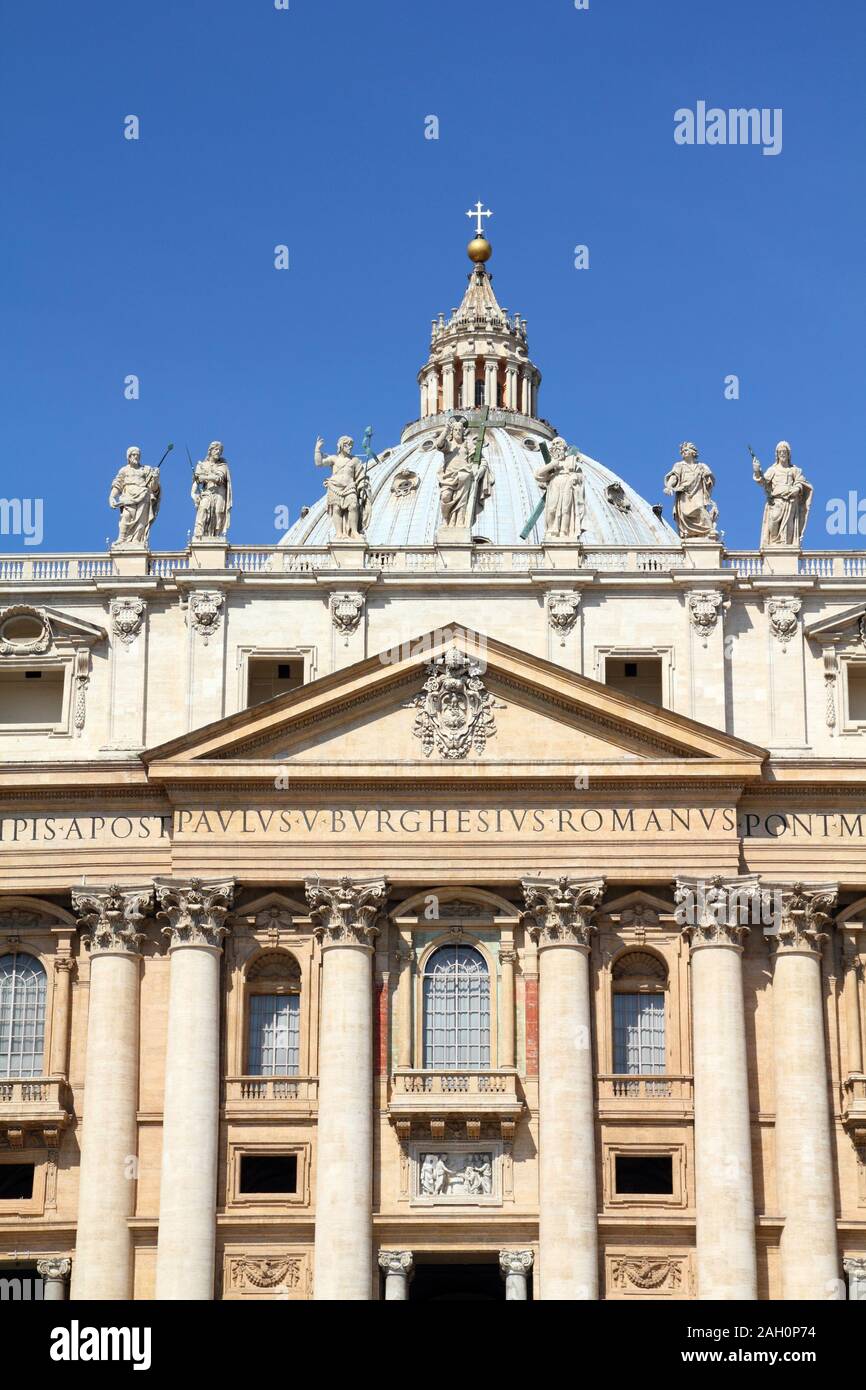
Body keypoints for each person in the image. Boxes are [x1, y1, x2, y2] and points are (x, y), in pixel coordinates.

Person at [752, 440, 812, 546]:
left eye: (784, 451)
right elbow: (763, 481)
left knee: (789, 526)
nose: (782, 454)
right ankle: (774, 542)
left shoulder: (794, 470)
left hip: (791, 501)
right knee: (774, 519)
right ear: (777, 454)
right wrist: (757, 471)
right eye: (780, 452)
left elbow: (801, 482)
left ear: (788, 454)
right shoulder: (773, 469)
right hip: (777, 500)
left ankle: (787, 546)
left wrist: (797, 489)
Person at [313, 435, 371, 539]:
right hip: (334, 486)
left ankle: (354, 532)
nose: (349, 447)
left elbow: (361, 475)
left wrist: (362, 486)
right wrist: (317, 449)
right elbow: (319, 463)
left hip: (349, 486)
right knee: (336, 509)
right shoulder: (334, 459)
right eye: (346, 445)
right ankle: (339, 533)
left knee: (353, 506)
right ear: (340, 446)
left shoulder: (355, 460)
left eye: (350, 445)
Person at [534, 436, 586, 540]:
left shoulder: (571, 461)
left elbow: (581, 477)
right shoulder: (552, 463)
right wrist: (553, 464)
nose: (555, 446)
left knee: (565, 509)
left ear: (564, 447)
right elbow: (538, 475)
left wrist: (575, 477)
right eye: (553, 444)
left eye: (558, 444)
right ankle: (550, 532)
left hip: (568, 485)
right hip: (555, 484)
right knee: (551, 508)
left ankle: (563, 532)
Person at [663, 441, 718, 538]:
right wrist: (669, 487)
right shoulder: (679, 465)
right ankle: (689, 534)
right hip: (684, 493)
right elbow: (674, 477)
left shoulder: (701, 466)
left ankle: (708, 531)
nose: (683, 452)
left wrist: (707, 478)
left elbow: (710, 479)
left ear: (693, 452)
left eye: (686, 450)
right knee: (685, 513)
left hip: (698, 492)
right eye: (682, 451)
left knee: (700, 509)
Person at [109, 446, 161, 546]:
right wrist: (111, 497)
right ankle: (122, 539)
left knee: (141, 520)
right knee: (126, 516)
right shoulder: (124, 470)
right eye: (133, 454)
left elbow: (154, 488)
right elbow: (118, 484)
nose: (136, 457)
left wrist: (155, 479)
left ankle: (137, 539)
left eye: (138, 455)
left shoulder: (146, 470)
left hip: (143, 495)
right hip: (128, 497)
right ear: (128, 457)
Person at [191, 441, 233, 538]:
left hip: (220, 493)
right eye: (216, 449)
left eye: (220, 450)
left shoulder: (223, 465)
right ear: (210, 451)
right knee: (203, 509)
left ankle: (216, 537)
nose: (218, 452)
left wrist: (204, 477)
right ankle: (199, 535)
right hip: (207, 493)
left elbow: (219, 478)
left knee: (218, 513)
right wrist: (193, 494)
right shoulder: (202, 465)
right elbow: (196, 483)